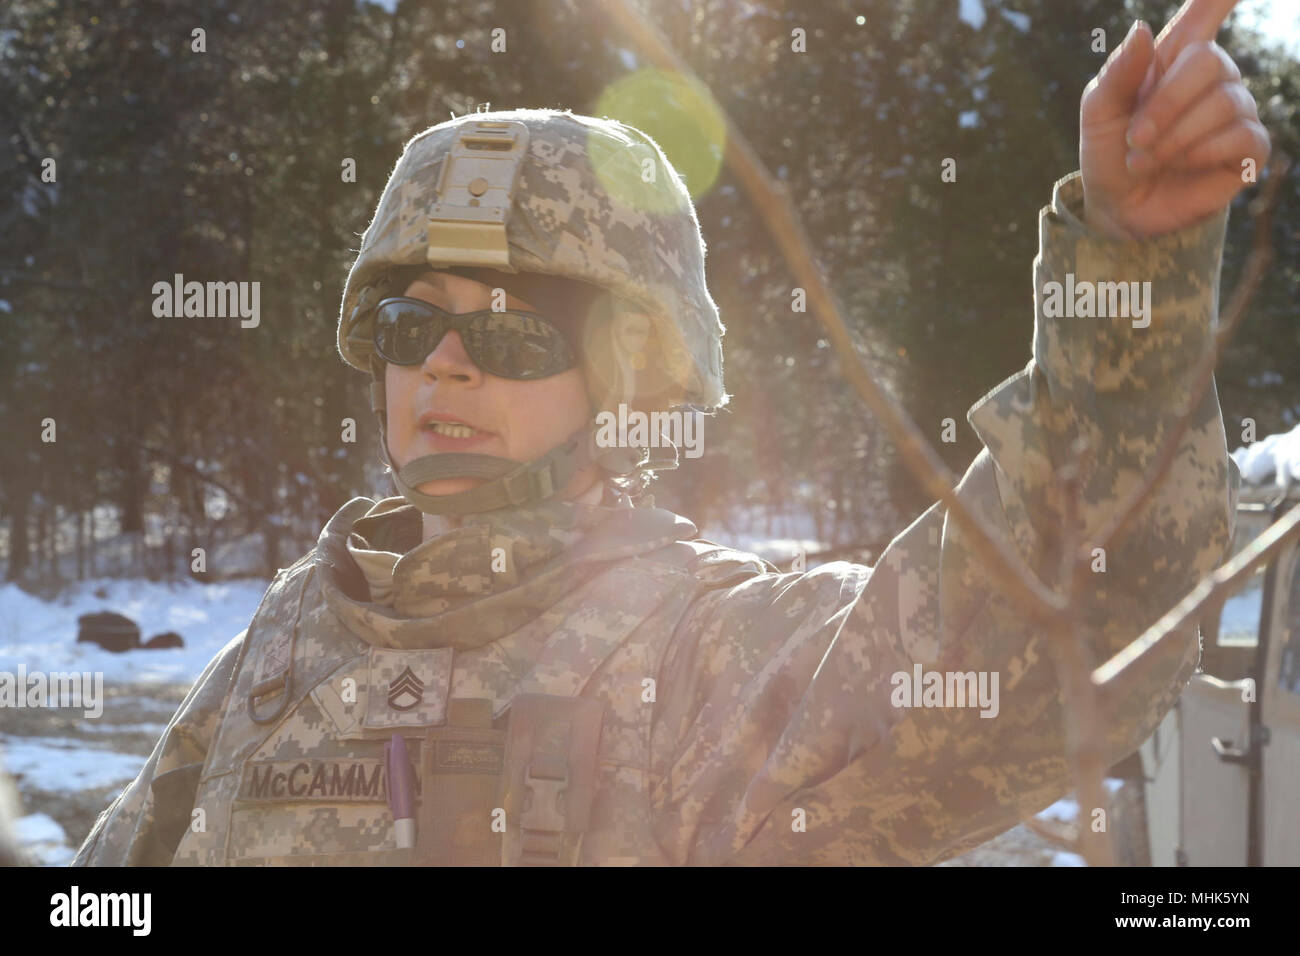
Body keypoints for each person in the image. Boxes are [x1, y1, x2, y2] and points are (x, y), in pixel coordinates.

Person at [74, 0, 1268, 866]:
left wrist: (1134, 279)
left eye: (515, 334)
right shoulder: (288, 637)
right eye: (410, 322)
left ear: (624, 374)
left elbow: (1038, 646)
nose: (444, 362)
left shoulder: (698, 650)